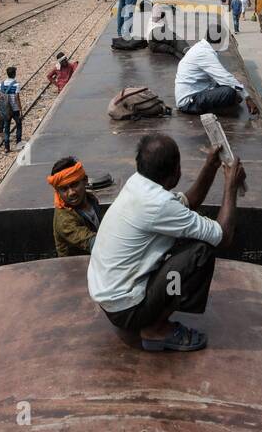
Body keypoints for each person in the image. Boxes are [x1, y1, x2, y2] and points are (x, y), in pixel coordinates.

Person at [88, 136, 245, 352]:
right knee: (200, 251)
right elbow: (223, 236)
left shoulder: (139, 184)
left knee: (186, 242)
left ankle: (153, 314)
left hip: (112, 302)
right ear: (175, 172)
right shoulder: (159, 205)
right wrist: (231, 186)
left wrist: (210, 167)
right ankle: (156, 328)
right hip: (128, 310)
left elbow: (188, 202)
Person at [173, 25, 260, 116]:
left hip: (196, 91)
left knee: (232, 88)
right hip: (189, 102)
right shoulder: (205, 53)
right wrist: (247, 97)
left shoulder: (202, 47)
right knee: (229, 92)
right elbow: (225, 77)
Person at [48, 156, 101, 257]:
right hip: (75, 268)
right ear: (58, 192)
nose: (71, 193)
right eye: (64, 189)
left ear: (85, 180)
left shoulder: (91, 199)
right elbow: (93, 242)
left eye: (74, 184)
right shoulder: (64, 220)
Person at [0, 66, 22, 152]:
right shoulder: (16, 84)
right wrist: (20, 109)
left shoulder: (2, 84)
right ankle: (18, 144)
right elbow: (16, 98)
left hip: (6, 109)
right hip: (15, 109)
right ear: (14, 74)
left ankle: (6, 147)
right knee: (18, 125)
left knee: (6, 127)